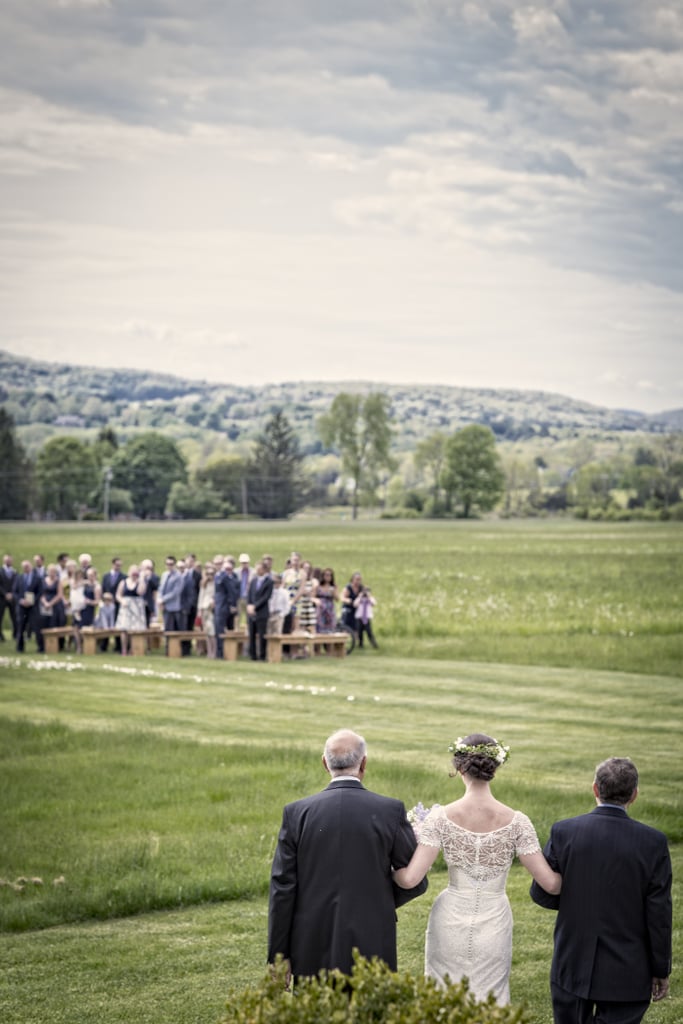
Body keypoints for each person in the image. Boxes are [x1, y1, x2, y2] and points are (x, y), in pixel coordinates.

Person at [393, 733, 561, 1005]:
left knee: (443, 999)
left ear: (459, 767)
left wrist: (388, 868)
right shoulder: (518, 822)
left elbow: (410, 879)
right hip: (494, 919)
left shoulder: (440, 818)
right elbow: (552, 884)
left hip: (449, 917)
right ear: (495, 768)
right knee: (490, 998)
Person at [268, 729, 428, 984]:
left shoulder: (296, 813)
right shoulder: (390, 810)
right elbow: (416, 879)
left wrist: (278, 956)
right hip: (373, 936)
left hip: (310, 941)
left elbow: (283, 888)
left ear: (324, 763)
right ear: (364, 763)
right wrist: (377, 903)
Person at [530, 756, 672, 1024]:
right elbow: (659, 914)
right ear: (635, 795)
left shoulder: (564, 831)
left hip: (571, 962)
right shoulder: (653, 842)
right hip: (628, 969)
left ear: (595, 788)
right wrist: (660, 969)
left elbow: (542, 894)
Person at [115, 564, 147, 655]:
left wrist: (141, 579)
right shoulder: (123, 582)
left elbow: (140, 592)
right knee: (124, 629)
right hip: (125, 608)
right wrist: (122, 601)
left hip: (137, 608)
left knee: (135, 629)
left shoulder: (140, 582)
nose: (134, 575)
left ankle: (133, 649)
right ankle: (124, 649)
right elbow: (118, 595)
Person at [247, 560, 273, 661]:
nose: (257, 570)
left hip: (262, 611)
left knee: (262, 635)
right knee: (251, 634)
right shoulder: (254, 581)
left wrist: (255, 606)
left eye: (259, 569)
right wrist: (249, 605)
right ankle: (253, 655)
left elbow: (266, 596)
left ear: (264, 569)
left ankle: (262, 655)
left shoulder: (269, 582)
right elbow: (250, 594)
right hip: (251, 611)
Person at [354, 584, 378, 649]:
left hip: (367, 617)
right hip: (359, 617)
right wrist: (360, 596)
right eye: (363, 591)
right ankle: (360, 644)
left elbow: (374, 603)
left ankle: (374, 644)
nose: (365, 593)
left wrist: (369, 596)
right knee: (359, 631)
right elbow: (355, 604)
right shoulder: (359, 599)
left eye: (366, 591)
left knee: (369, 631)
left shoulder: (370, 599)